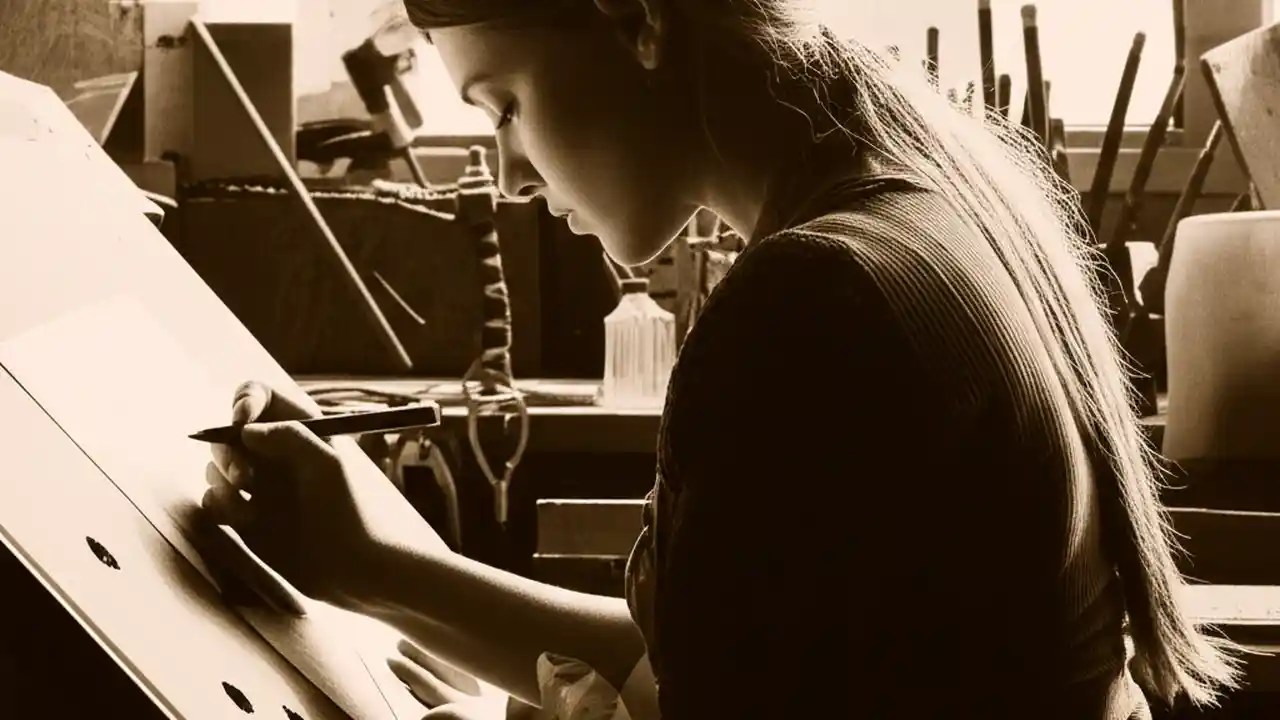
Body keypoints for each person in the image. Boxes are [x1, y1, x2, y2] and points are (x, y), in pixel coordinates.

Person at [201, 1, 1242, 718]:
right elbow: (708, 668)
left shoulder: (811, 299)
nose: (512, 170)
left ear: (637, 19)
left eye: (502, 104)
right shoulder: (930, 202)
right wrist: (372, 570)